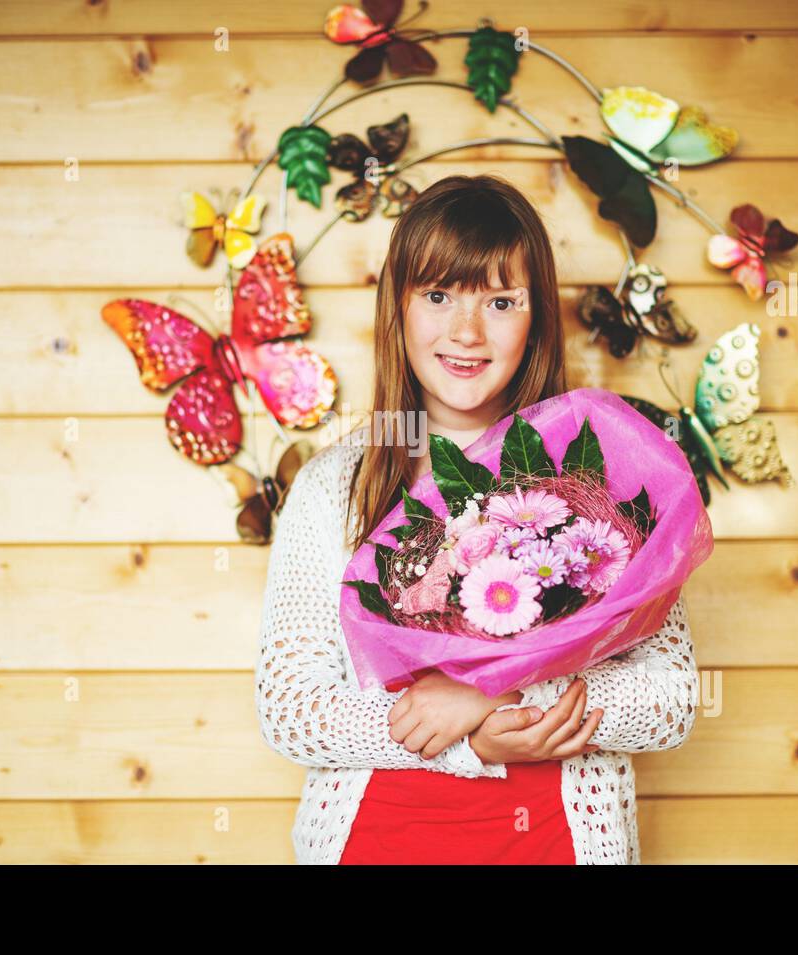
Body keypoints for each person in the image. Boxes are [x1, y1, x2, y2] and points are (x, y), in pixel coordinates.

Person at [254, 174, 698, 864]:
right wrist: (468, 739)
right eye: (437, 295)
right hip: (378, 841)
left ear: (538, 315)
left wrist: (491, 693)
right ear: (396, 307)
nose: (466, 331)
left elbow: (671, 700)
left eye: (499, 300)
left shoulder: (602, 476)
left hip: (558, 841)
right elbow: (291, 709)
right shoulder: (333, 489)